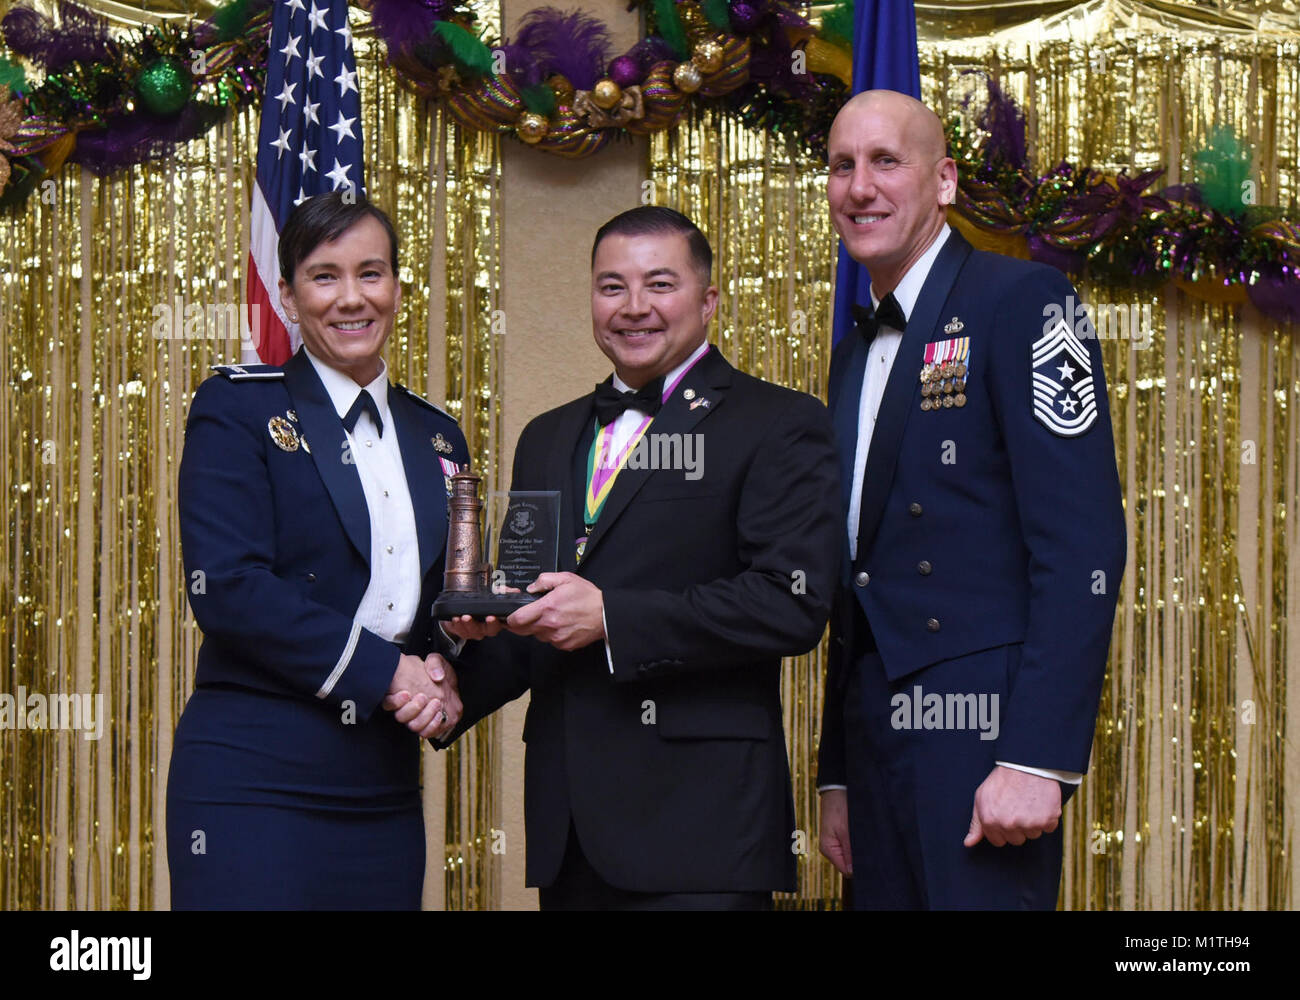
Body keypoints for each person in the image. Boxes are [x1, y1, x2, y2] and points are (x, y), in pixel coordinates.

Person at [442, 206, 841, 910]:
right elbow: (529, 611)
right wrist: (441, 682)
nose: (634, 308)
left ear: (708, 300)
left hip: (702, 831)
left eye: (660, 284)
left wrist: (612, 618)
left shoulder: (779, 423)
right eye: (611, 287)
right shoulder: (548, 434)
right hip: (570, 832)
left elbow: (791, 603)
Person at [816, 91, 1127, 909]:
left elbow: (1082, 545)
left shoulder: (1024, 303)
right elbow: (860, 578)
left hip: (986, 739)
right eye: (842, 166)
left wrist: (1037, 758)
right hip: (876, 742)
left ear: (944, 180)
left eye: (887, 161)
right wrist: (836, 773)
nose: (860, 187)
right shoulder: (853, 353)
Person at [167, 192, 468, 909]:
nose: (351, 297)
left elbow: (444, 601)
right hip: (255, 775)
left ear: (397, 286)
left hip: (383, 784)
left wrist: (446, 667)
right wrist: (388, 674)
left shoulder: (438, 437)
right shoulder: (236, 408)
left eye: (371, 273)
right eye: (324, 276)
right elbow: (230, 588)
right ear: (288, 296)